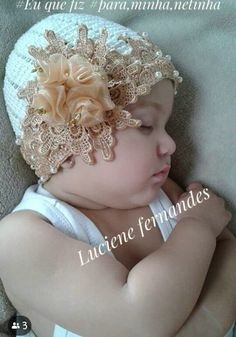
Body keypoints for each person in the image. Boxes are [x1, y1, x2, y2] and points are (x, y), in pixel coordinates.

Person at [0, 13, 236, 337]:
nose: (170, 144)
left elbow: (229, 251)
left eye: (166, 126)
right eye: (146, 126)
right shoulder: (23, 237)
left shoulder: (159, 191)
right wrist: (197, 227)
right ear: (71, 138)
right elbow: (138, 319)